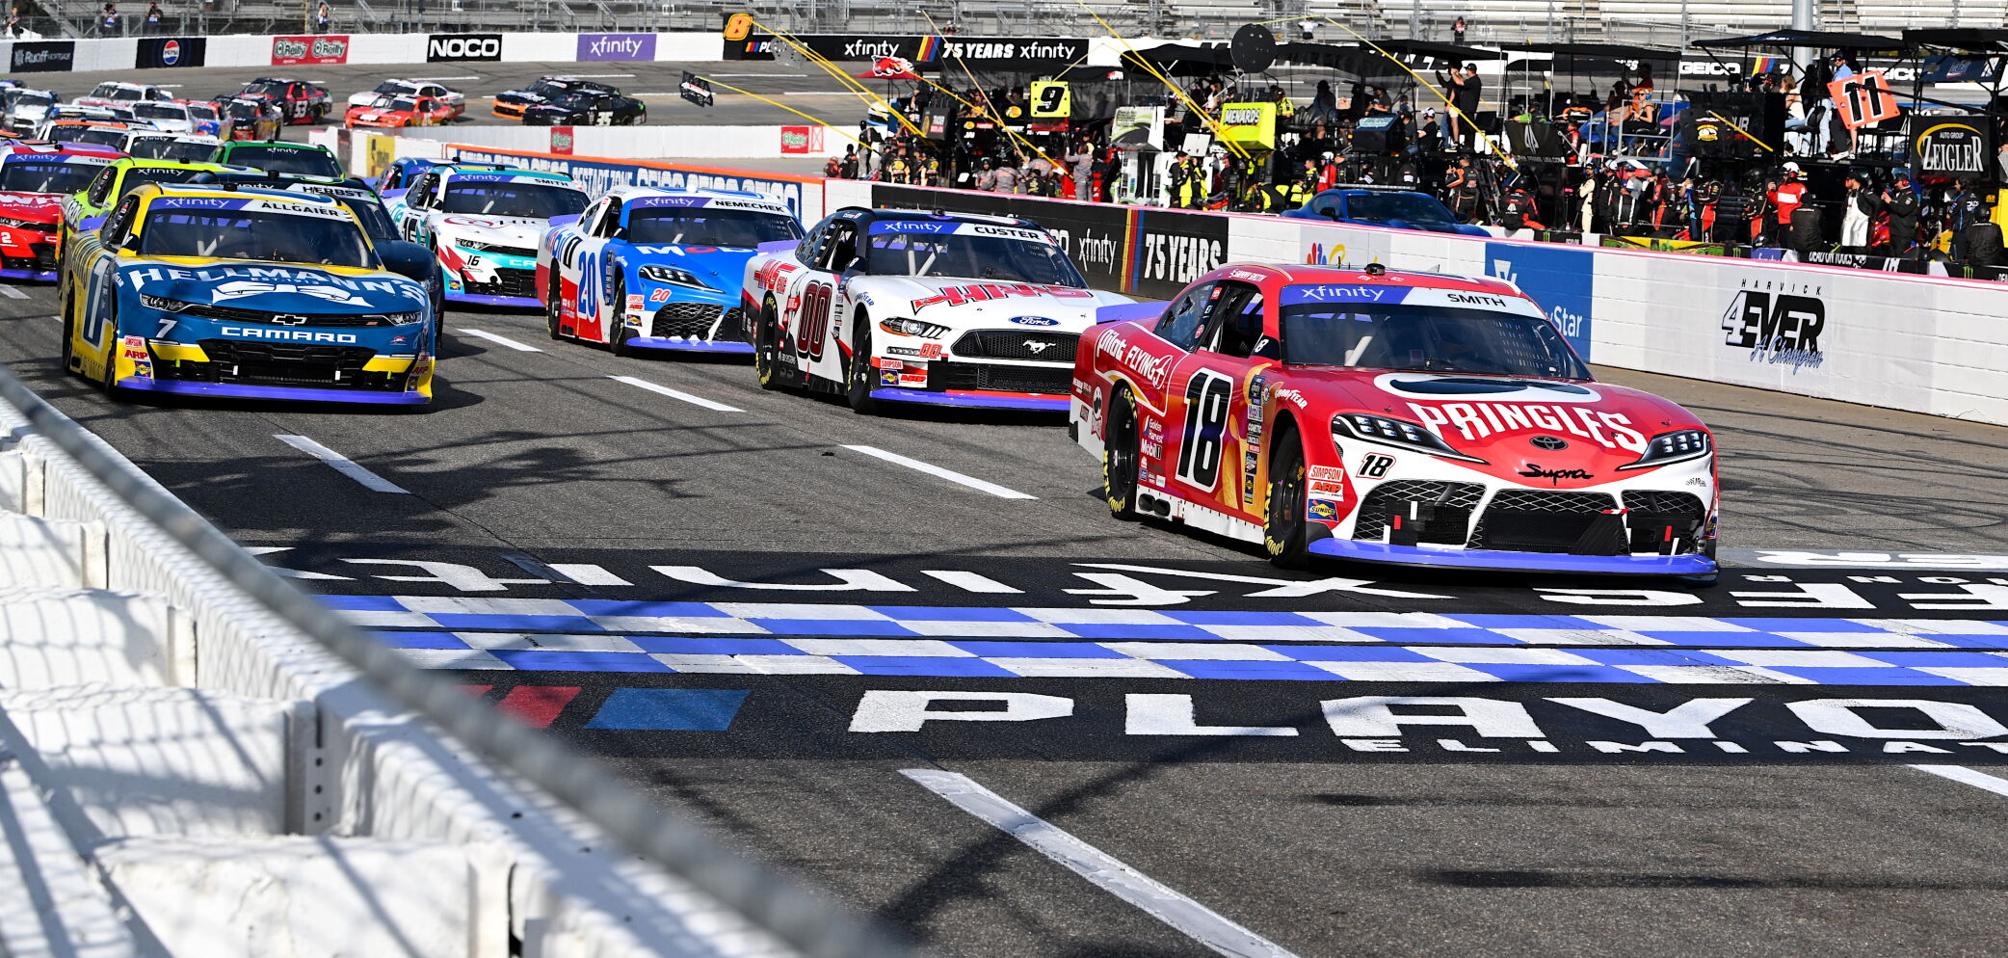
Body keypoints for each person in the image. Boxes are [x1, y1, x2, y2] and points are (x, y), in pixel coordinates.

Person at [1767, 162, 1808, 246]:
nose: (1783, 177)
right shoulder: (1782, 187)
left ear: (1792, 174)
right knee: (1782, 245)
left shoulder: (1800, 187)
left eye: (1785, 175)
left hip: (1792, 223)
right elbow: (1777, 202)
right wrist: (1771, 192)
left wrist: (1795, 223)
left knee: (1790, 247)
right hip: (1781, 222)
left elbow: (1803, 207)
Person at [1881, 171, 1919, 256]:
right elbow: (1892, 209)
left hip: (1903, 234)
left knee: (1901, 257)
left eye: (1897, 182)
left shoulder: (1910, 196)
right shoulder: (1897, 194)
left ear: (1904, 182)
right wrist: (1885, 201)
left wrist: (1890, 202)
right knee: (1892, 256)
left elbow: (1902, 210)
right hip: (1894, 232)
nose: (1895, 185)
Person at [1840, 171, 1876, 251]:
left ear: (1853, 180)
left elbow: (1878, 202)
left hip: (1859, 234)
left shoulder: (1864, 193)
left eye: (1848, 179)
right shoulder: (1849, 194)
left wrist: (1873, 217)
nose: (1845, 182)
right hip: (1847, 233)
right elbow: (1843, 210)